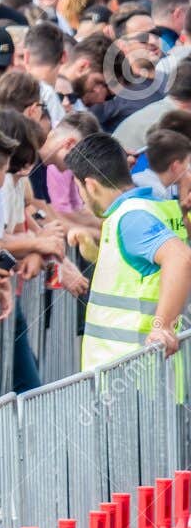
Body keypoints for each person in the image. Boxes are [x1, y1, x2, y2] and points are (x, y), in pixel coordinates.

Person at [71, 132, 191, 367]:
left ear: (90, 185)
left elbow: (180, 258)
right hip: (138, 377)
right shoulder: (145, 211)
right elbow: (137, 274)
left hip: (136, 381)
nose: (82, 200)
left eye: (79, 190)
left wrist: (162, 326)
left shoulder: (131, 216)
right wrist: (94, 254)